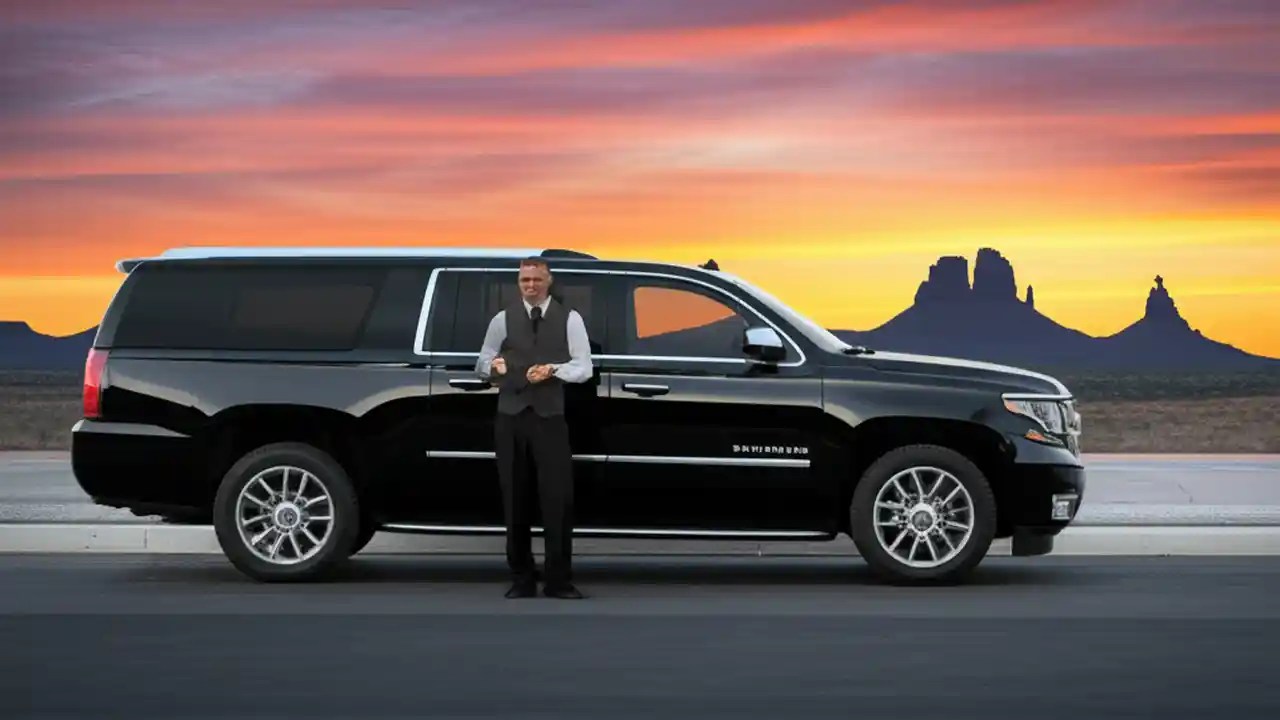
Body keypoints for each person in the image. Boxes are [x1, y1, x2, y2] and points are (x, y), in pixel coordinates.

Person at [475, 256, 594, 599]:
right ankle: (522, 578)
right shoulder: (502, 319)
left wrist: (553, 370)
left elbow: (583, 367)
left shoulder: (570, 319)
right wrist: (492, 365)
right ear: (519, 282)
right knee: (515, 499)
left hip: (550, 420)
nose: (530, 285)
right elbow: (482, 361)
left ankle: (559, 580)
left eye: (536, 280)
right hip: (510, 418)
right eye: (525, 280)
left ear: (548, 281)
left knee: (557, 500)